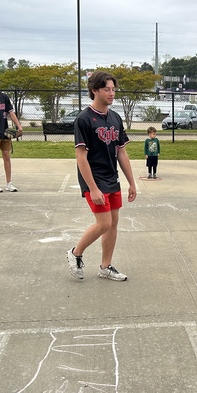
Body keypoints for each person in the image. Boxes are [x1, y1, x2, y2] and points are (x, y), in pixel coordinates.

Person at [66, 70, 137, 281]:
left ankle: (105, 267)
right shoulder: (84, 120)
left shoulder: (115, 118)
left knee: (113, 223)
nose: (111, 93)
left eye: (113, 89)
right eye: (107, 89)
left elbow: (121, 152)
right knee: (104, 223)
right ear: (94, 90)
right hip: (94, 180)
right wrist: (93, 187)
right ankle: (75, 253)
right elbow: (81, 157)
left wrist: (132, 183)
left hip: (112, 178)